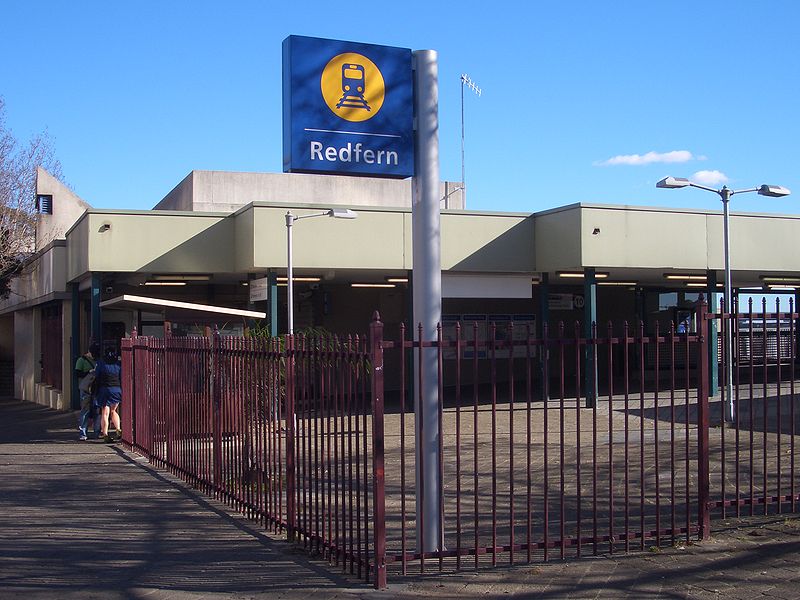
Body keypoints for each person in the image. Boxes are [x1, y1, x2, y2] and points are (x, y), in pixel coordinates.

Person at [95, 348, 122, 442]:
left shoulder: (101, 363)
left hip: (104, 390)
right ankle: (118, 429)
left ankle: (105, 434)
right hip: (116, 389)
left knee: (105, 413)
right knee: (114, 411)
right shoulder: (118, 364)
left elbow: (97, 375)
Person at [75, 343, 99, 441]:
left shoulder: (98, 361)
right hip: (86, 389)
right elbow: (77, 373)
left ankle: (97, 432)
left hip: (96, 388)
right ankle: (83, 432)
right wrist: (88, 372)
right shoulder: (81, 360)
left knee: (97, 410)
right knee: (85, 410)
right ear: (89, 352)